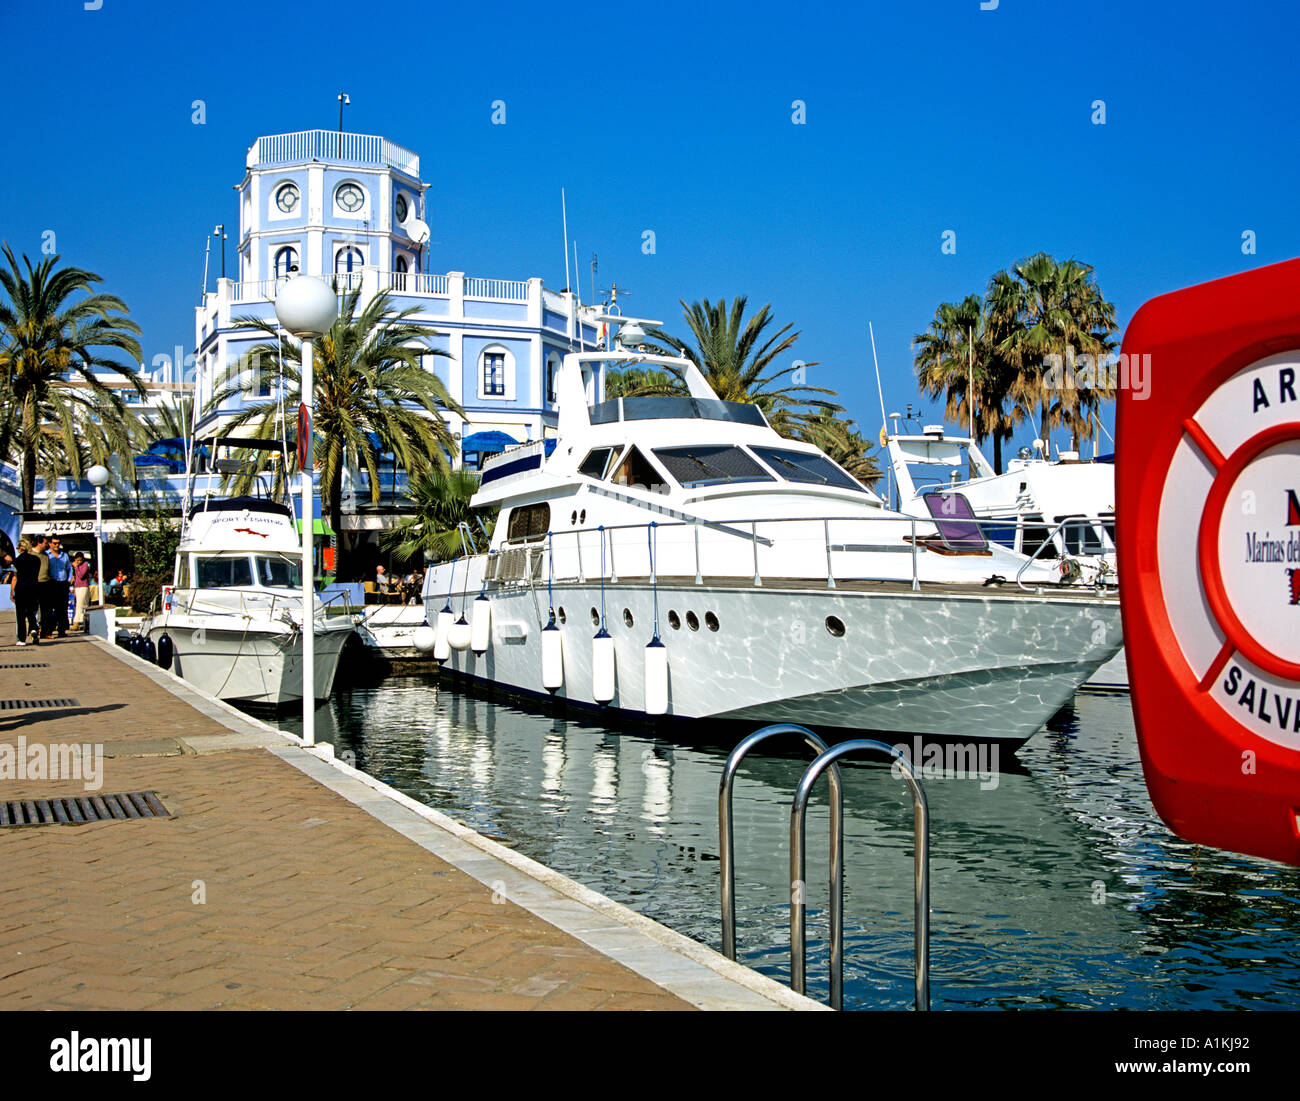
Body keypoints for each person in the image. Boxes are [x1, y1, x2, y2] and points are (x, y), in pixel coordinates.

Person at [10, 539, 42, 646]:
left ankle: (22, 639)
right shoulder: (36, 559)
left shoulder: (16, 561)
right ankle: (33, 627)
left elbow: (15, 578)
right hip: (34, 588)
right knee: (31, 611)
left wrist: (12, 592)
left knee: (20, 614)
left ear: (19, 548)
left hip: (21, 589)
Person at [45, 536, 71, 638]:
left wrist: (69, 580)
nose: (57, 545)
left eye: (58, 543)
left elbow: (69, 568)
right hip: (51, 583)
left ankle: (62, 630)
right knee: (51, 608)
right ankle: (49, 629)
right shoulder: (47, 555)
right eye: (54, 543)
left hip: (63, 583)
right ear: (50, 544)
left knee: (62, 608)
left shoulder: (64, 555)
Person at [31, 534, 51, 638]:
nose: (47, 545)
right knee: (33, 608)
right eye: (45, 543)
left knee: (46, 609)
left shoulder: (46, 555)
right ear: (39, 543)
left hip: (46, 583)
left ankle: (45, 632)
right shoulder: (30, 554)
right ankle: (33, 629)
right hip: (35, 584)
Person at [70, 552, 92, 633]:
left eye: (80, 560)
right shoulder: (76, 566)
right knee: (78, 604)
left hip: (83, 586)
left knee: (81, 604)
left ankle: (77, 622)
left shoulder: (85, 565)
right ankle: (81, 621)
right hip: (77, 587)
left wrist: (76, 567)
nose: (79, 562)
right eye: (77, 560)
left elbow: (81, 575)